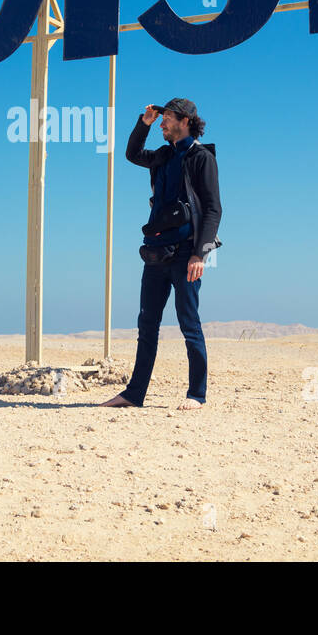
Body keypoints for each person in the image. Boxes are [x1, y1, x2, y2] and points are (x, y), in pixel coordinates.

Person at [100, 98, 222, 410]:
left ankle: (196, 394)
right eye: (162, 117)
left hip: (186, 255)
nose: (163, 123)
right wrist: (145, 122)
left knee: (188, 322)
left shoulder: (201, 157)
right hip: (156, 252)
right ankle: (133, 394)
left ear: (185, 120)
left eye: (167, 117)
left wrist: (200, 255)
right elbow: (132, 154)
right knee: (147, 324)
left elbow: (212, 209)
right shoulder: (164, 155)